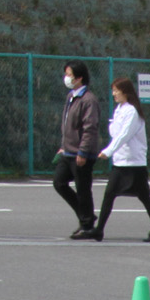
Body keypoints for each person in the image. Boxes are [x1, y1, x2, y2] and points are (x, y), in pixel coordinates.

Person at [91, 78, 150, 242]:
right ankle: (99, 230)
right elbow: (115, 132)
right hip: (121, 162)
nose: (114, 94)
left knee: (144, 197)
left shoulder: (132, 112)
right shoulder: (119, 110)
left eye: (116, 90)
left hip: (134, 163)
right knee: (109, 194)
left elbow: (125, 135)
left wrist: (108, 151)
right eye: (113, 90)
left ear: (125, 92)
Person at [53, 63, 102, 239]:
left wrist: (82, 152)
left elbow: (90, 128)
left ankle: (87, 225)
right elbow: (67, 125)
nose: (66, 78)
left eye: (69, 74)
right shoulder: (71, 97)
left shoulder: (89, 100)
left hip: (81, 153)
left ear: (79, 77)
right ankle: (85, 215)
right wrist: (63, 145)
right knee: (59, 183)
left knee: (83, 188)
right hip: (68, 151)